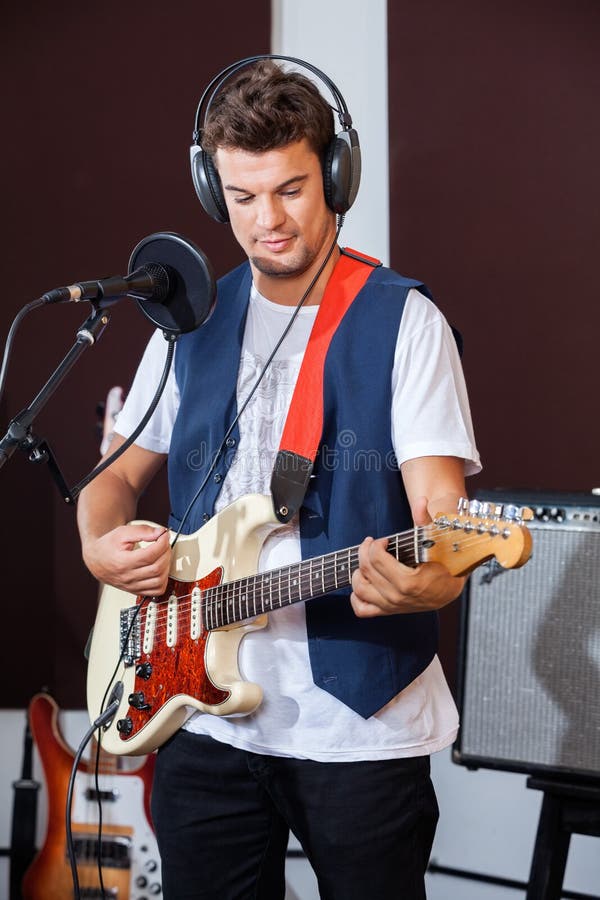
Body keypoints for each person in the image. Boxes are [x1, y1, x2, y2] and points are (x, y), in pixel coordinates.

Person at [77, 57, 480, 900]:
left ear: (338, 174)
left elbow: (444, 520)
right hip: (198, 713)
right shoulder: (190, 322)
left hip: (359, 729)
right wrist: (99, 548)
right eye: (242, 196)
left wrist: (432, 584)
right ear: (208, 187)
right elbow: (109, 486)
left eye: (292, 189)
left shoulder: (405, 321)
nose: (269, 221)